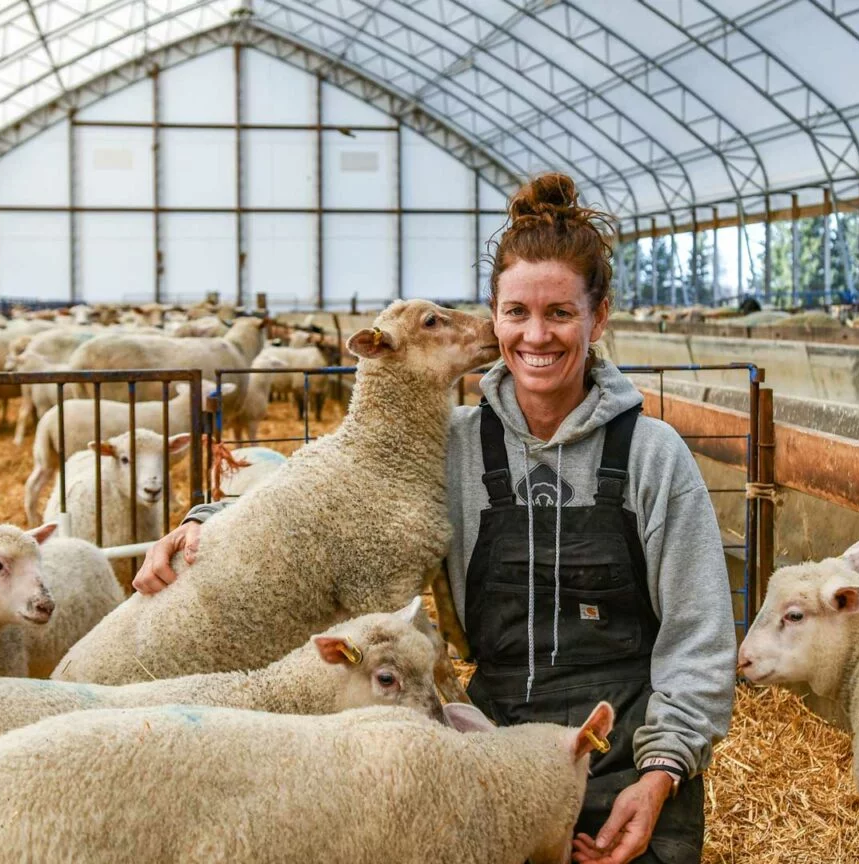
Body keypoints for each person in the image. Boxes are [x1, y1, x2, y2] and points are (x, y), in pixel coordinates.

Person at [134, 173, 737, 864]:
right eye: (517, 312)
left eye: (560, 314)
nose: (536, 335)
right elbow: (319, 490)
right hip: (490, 747)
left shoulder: (651, 456)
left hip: (628, 758)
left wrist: (663, 771)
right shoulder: (449, 446)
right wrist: (202, 522)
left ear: (597, 319)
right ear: (495, 318)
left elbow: (698, 636)